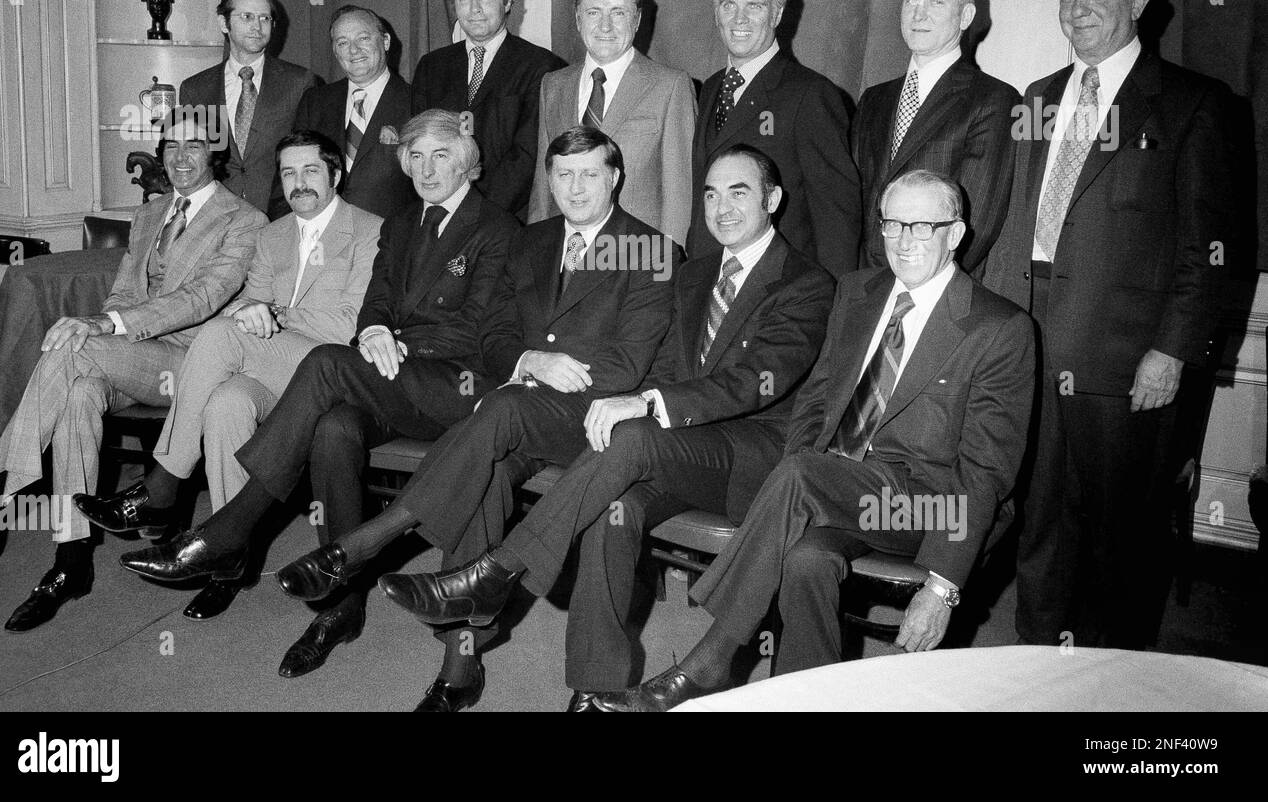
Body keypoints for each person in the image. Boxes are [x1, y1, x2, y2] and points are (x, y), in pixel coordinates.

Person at [384, 144, 834, 710]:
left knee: (632, 435)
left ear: (772, 199)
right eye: (711, 193)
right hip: (677, 449)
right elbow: (666, 364)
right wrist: (624, 396)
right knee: (610, 510)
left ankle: (497, 570)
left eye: (738, 192)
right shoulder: (694, 274)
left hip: (747, 459)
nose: (721, 206)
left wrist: (643, 402)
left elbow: (758, 381)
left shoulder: (806, 283)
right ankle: (595, 691)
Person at [595, 170, 1035, 710]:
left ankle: (707, 663)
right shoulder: (857, 292)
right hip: (838, 484)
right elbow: (816, 399)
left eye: (923, 226)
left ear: (957, 233)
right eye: (893, 224)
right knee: (807, 560)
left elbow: (987, 472)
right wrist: (805, 459)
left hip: (930, 506)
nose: (904, 240)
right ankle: (803, 700)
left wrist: (942, 587)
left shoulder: (999, 328)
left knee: (802, 475)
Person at [270, 127, 677, 710]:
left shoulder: (651, 248)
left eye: (590, 173)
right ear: (549, 179)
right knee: (481, 466)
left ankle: (364, 544)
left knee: (499, 410)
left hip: (597, 417)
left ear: (615, 176)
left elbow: (635, 356)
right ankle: (460, 665)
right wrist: (527, 358)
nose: (576, 186)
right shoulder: (533, 241)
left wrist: (553, 372)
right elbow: (496, 333)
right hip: (523, 410)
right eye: (563, 174)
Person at [117, 109, 518, 676]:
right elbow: (376, 299)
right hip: (391, 378)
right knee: (334, 429)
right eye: (417, 156)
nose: (427, 169)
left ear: (468, 163)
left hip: (456, 384)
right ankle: (339, 604)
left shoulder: (496, 228)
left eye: (442, 156)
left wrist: (393, 341)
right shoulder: (402, 223)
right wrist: (377, 328)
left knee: (329, 363)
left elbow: (478, 327)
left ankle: (230, 527)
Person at [984, 0, 1232, 649]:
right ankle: (1038, 661)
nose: (1079, 8)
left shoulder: (1193, 105)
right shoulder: (1036, 99)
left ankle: (1106, 683)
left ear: (1139, 0)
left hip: (1127, 365)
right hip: (1033, 349)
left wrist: (1173, 352)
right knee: (1040, 523)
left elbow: (1209, 252)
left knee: (1119, 540)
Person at [0, 112, 267, 631]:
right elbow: (125, 292)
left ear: (216, 154)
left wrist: (104, 323)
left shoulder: (245, 220)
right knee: (78, 389)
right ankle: (70, 559)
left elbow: (202, 298)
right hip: (133, 358)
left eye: (194, 146)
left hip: (192, 365)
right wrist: (107, 321)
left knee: (73, 345)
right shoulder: (151, 212)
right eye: (171, 145)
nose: (180, 157)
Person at [73, 131, 381, 621]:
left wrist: (268, 314)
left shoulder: (370, 231)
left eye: (310, 171)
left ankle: (163, 485)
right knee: (228, 402)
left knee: (218, 336)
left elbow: (349, 324)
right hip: (272, 366)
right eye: (288, 173)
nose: (298, 183)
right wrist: (254, 312)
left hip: (331, 369)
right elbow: (248, 302)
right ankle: (227, 553)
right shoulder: (272, 233)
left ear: (335, 174)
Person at [688, 0, 860, 279]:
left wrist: (829, 305)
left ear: (777, 14)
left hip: (780, 290)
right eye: (729, 5)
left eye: (754, 6)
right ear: (716, 13)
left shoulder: (810, 94)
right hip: (710, 281)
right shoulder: (710, 89)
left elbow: (837, 218)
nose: (739, 18)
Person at [853, 0, 1019, 274]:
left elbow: (978, 222)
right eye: (911, 1)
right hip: (869, 286)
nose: (919, 14)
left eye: (937, 2)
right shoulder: (873, 100)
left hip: (938, 290)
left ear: (966, 16)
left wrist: (923, 286)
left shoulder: (994, 100)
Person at [529, 0, 697, 245]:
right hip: (567, 254)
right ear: (578, 19)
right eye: (594, 12)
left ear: (637, 19)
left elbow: (680, 195)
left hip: (636, 256)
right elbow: (542, 187)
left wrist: (666, 267)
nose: (605, 26)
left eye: (618, 12)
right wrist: (535, 255)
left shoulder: (670, 86)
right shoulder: (553, 85)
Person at [410, 0, 565, 217]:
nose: (475, 9)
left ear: (506, 2)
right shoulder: (431, 67)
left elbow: (528, 154)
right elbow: (420, 145)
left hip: (510, 219)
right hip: (441, 212)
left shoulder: (543, 67)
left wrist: (474, 213)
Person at [177, 0, 320, 218]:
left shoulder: (299, 81)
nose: (257, 26)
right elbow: (194, 158)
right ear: (224, 24)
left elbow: (309, 154)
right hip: (216, 216)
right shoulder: (196, 89)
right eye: (247, 17)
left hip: (280, 215)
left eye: (265, 18)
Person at [291, 5, 413, 219]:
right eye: (342, 42)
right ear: (335, 51)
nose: (353, 50)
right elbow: (291, 173)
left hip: (391, 241)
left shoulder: (417, 102)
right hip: (322, 239)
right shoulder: (315, 102)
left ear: (385, 41)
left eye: (363, 38)